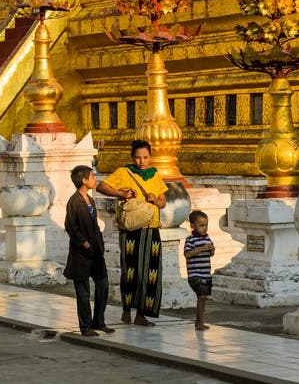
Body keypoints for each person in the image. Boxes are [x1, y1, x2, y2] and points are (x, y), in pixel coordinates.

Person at [96, 139, 167, 327]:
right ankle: (127, 309)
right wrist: (122, 194)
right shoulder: (124, 172)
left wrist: (155, 200)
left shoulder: (155, 175)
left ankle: (142, 314)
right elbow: (101, 186)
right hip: (131, 229)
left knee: (151, 272)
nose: (142, 161)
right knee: (130, 270)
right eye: (138, 157)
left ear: (150, 157)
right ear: (132, 157)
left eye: (145, 157)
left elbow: (163, 202)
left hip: (151, 228)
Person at [64, 165, 115, 337]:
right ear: (84, 180)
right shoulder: (74, 202)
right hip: (81, 253)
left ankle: (99, 321)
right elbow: (70, 226)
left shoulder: (90, 200)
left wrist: (98, 242)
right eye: (92, 177)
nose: (95, 180)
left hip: (95, 251)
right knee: (83, 292)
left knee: (103, 284)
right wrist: (84, 243)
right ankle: (85, 326)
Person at [184, 210, 215, 330]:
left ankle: (200, 321)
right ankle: (199, 322)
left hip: (205, 274)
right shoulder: (190, 239)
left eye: (206, 225)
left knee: (203, 298)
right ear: (193, 226)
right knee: (201, 296)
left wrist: (212, 250)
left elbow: (211, 254)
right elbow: (187, 254)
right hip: (195, 274)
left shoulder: (207, 238)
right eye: (201, 225)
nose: (204, 228)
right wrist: (201, 249)